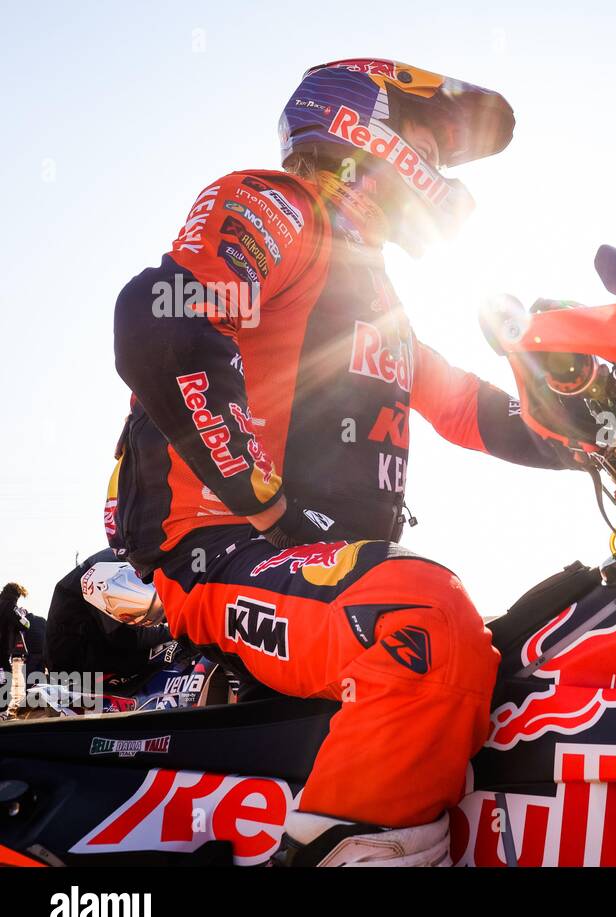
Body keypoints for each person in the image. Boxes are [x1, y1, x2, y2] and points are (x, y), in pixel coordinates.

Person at [111, 59, 570, 866]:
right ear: (369, 121)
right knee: (423, 625)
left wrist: (606, 433)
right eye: (434, 139)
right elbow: (162, 322)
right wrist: (261, 499)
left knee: (548, 636)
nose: (439, 165)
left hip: (316, 569)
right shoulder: (282, 206)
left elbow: (474, 410)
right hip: (222, 552)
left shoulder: (376, 302)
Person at [45, 549, 172, 677]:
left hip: (83, 649)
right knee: (167, 656)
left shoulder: (130, 555)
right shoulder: (114, 571)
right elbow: (125, 636)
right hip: (74, 663)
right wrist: (175, 632)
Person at [0, 583, 31, 720]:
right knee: (5, 679)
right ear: (16, 595)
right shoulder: (9, 606)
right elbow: (25, 625)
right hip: (1, 651)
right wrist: (23, 616)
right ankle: (2, 711)